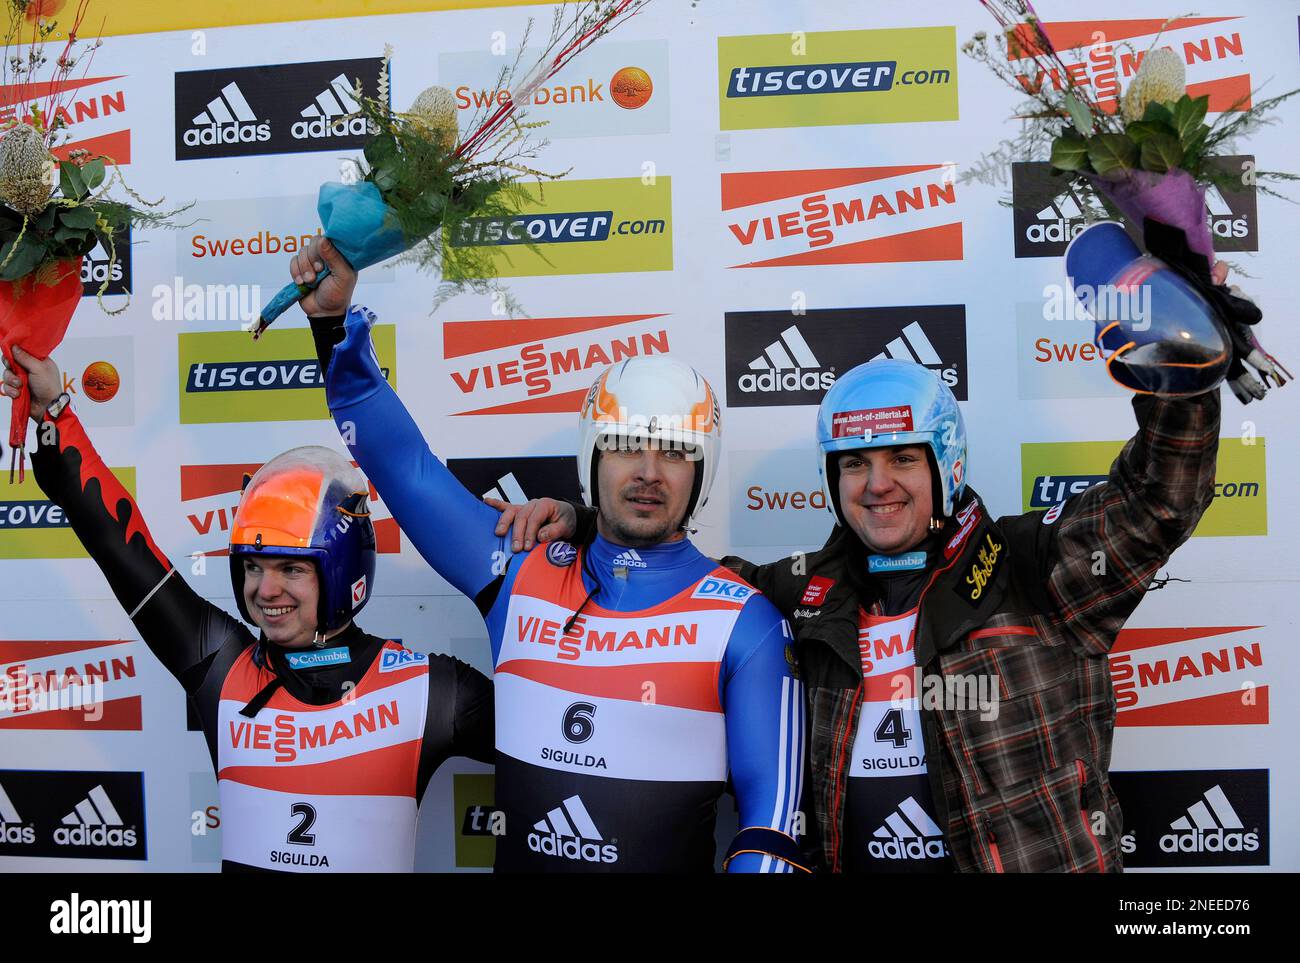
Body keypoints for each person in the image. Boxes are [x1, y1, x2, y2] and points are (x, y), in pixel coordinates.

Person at [496, 315, 1228, 874]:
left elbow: (1160, 499)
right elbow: (680, 580)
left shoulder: (1035, 569)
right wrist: (596, 522)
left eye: (903, 458)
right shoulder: (800, 593)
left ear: (945, 465)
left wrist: (1180, 368)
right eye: (855, 464)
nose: (877, 484)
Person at [292, 237, 806, 873]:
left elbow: (772, 830)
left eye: (675, 452)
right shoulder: (518, 565)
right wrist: (332, 325)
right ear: (593, 456)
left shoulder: (746, 622)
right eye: (624, 446)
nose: (649, 472)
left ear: (702, 471)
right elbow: (403, 466)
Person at [5, 346, 493, 873]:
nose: (265, 589)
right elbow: (120, 549)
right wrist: (56, 413)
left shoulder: (428, 690)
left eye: (292, 569)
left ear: (342, 571)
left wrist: (579, 528)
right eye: (253, 567)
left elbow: (575, 743)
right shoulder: (223, 668)